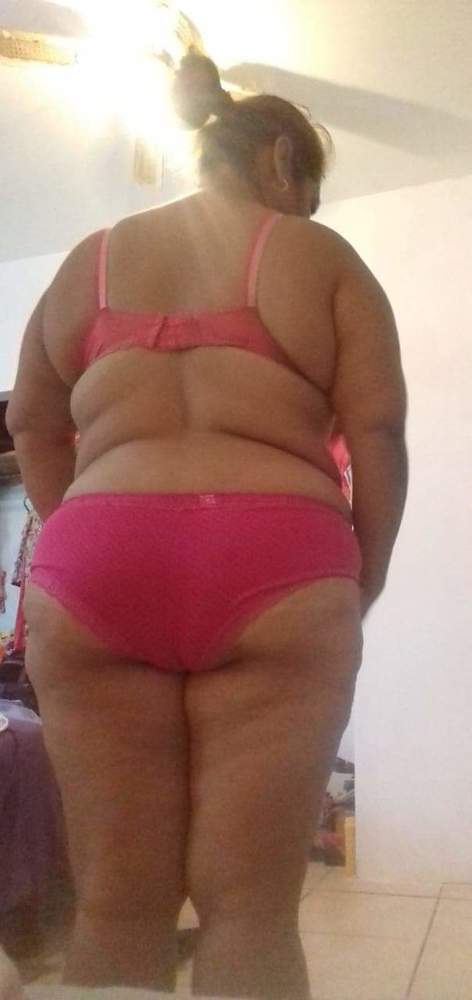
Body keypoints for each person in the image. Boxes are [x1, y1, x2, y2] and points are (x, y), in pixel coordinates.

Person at [6, 50, 408, 999]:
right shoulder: (320, 256)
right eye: (307, 195)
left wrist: (82, 536)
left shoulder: (87, 262)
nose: (303, 213)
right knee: (252, 910)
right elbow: (377, 431)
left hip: (98, 561)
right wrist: (365, 574)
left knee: (115, 906)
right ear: (282, 162)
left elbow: (31, 423)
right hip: (277, 555)